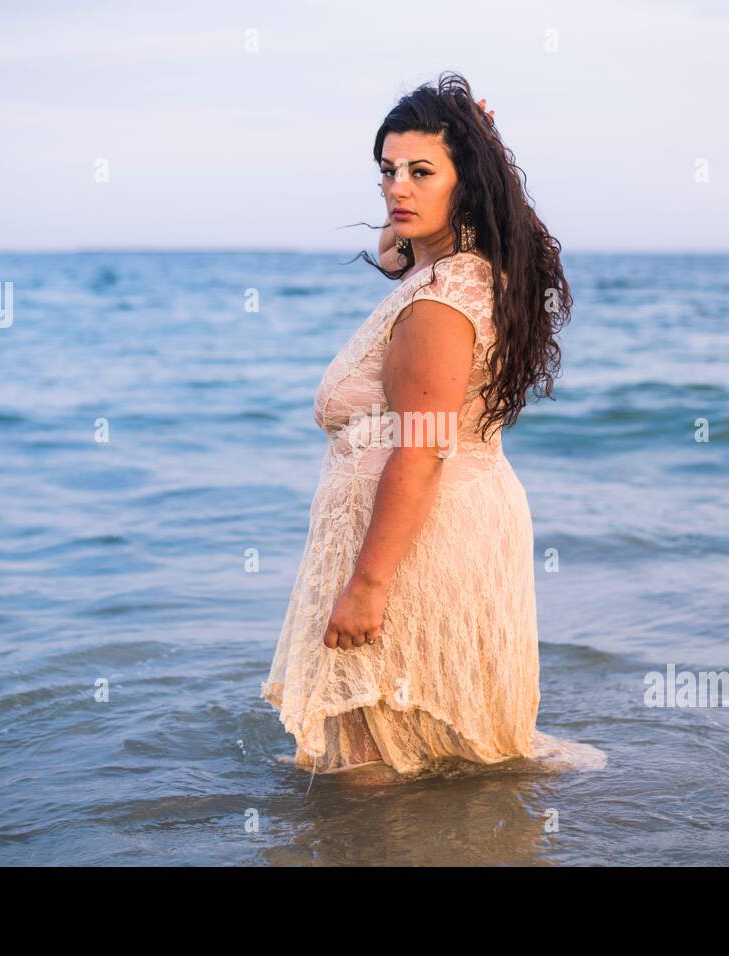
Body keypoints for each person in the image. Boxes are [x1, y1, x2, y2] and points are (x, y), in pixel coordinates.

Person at [260, 72, 606, 787]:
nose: (397, 191)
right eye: (388, 172)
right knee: (422, 745)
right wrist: (467, 144)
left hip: (414, 538)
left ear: (467, 185)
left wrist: (368, 583)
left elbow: (419, 449)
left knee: (367, 762)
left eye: (421, 172)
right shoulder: (464, 268)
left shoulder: (440, 303)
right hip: (455, 519)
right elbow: (394, 248)